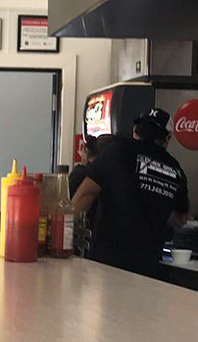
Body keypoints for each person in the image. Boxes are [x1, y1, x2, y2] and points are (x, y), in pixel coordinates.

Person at [71, 108, 189, 276]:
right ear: (167, 139)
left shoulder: (117, 151)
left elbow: (86, 194)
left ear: (135, 131)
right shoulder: (176, 169)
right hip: (149, 267)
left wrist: (63, 236)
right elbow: (180, 218)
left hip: (108, 264)